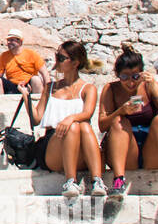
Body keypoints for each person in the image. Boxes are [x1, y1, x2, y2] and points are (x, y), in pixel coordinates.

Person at [98, 43, 158, 200]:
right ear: (117, 75)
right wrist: (121, 111)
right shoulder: (111, 89)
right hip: (126, 152)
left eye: (135, 76)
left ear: (141, 74)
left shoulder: (149, 86)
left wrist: (155, 88)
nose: (130, 82)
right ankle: (118, 179)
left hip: (153, 150)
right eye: (124, 77)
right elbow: (102, 125)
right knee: (118, 122)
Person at [28, 41, 102, 199]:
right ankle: (70, 180)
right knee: (75, 127)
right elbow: (36, 119)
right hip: (53, 144)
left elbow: (88, 113)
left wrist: (70, 118)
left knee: (82, 127)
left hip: (78, 142)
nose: (57, 61)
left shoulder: (88, 89)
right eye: (57, 56)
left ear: (75, 63)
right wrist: (26, 98)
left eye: (61, 58)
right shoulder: (51, 87)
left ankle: (97, 180)